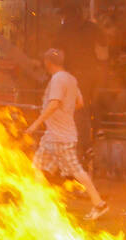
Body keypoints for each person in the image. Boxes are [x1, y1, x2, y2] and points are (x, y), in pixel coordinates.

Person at [27, 48, 108, 220]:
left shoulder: (57, 79)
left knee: (76, 171)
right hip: (52, 136)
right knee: (37, 167)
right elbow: (79, 102)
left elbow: (54, 104)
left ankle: (99, 204)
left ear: (47, 63)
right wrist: (64, 113)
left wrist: (36, 124)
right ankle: (38, 207)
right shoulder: (71, 79)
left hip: (61, 137)